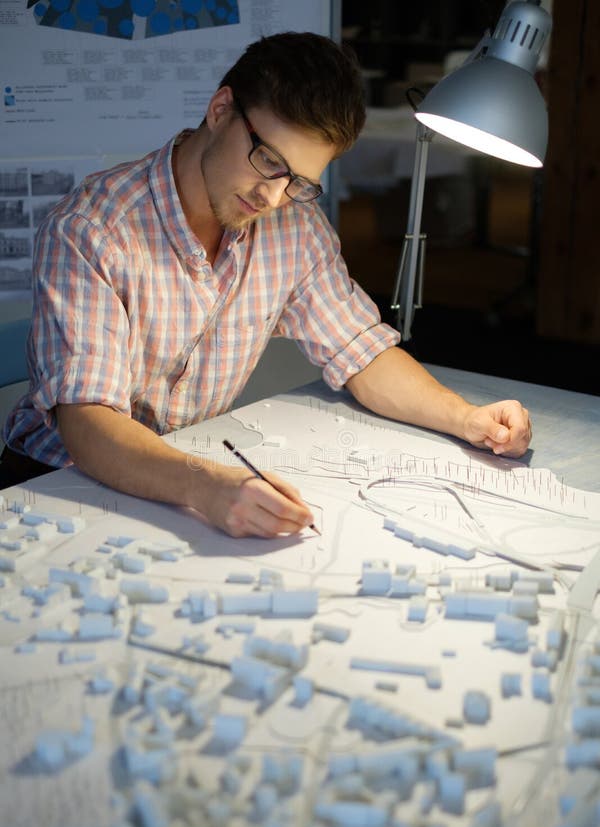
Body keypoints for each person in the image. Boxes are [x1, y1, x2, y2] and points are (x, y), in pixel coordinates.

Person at [1, 31, 531, 537]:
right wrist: (206, 486)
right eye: (269, 161)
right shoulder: (92, 229)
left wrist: (467, 419)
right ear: (221, 109)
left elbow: (362, 352)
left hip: (186, 479)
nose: (273, 197)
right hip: (57, 486)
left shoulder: (291, 226)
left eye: (298, 182)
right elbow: (88, 424)